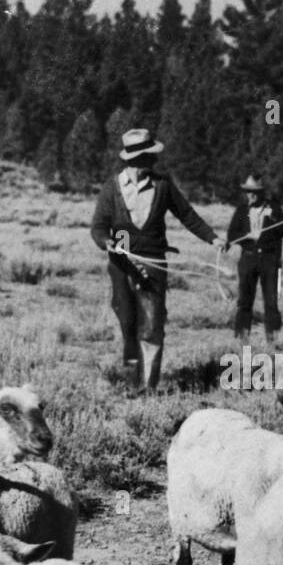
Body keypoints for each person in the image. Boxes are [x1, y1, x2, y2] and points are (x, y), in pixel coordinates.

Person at [89, 128, 222, 392]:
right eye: (149, 156)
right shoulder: (111, 188)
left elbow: (187, 215)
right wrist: (107, 242)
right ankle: (131, 381)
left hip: (154, 264)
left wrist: (213, 238)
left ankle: (147, 388)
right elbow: (98, 227)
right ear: (136, 158)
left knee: (151, 325)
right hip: (121, 265)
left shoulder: (163, 185)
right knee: (127, 322)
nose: (154, 160)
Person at [226, 173, 283, 345]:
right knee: (244, 302)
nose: (250, 195)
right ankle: (241, 340)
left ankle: (273, 341)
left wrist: (275, 217)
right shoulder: (241, 210)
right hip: (247, 261)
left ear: (261, 192)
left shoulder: (274, 208)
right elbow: (232, 235)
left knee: (271, 302)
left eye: (254, 191)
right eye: (248, 191)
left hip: (270, 261)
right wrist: (247, 236)